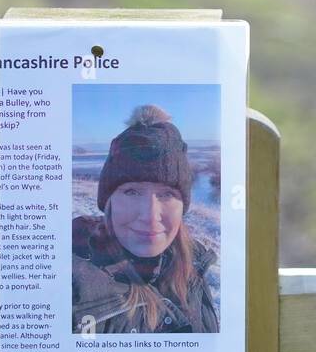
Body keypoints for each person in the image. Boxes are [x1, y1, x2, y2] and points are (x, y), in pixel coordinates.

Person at [72, 104, 220, 334]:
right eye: (132, 192)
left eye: (167, 194)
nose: (150, 216)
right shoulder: (75, 283)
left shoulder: (193, 266)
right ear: (109, 202)